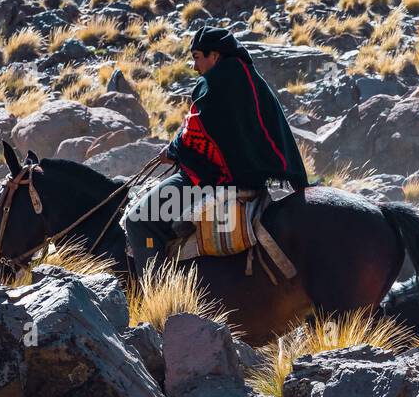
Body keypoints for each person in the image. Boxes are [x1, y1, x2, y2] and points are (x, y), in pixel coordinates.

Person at [124, 26, 308, 278]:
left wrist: (174, 151)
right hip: (251, 178)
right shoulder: (251, 79)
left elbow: (196, 134)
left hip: (212, 181)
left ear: (216, 55)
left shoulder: (214, 83)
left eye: (198, 57)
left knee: (139, 221)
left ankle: (153, 288)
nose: (195, 65)